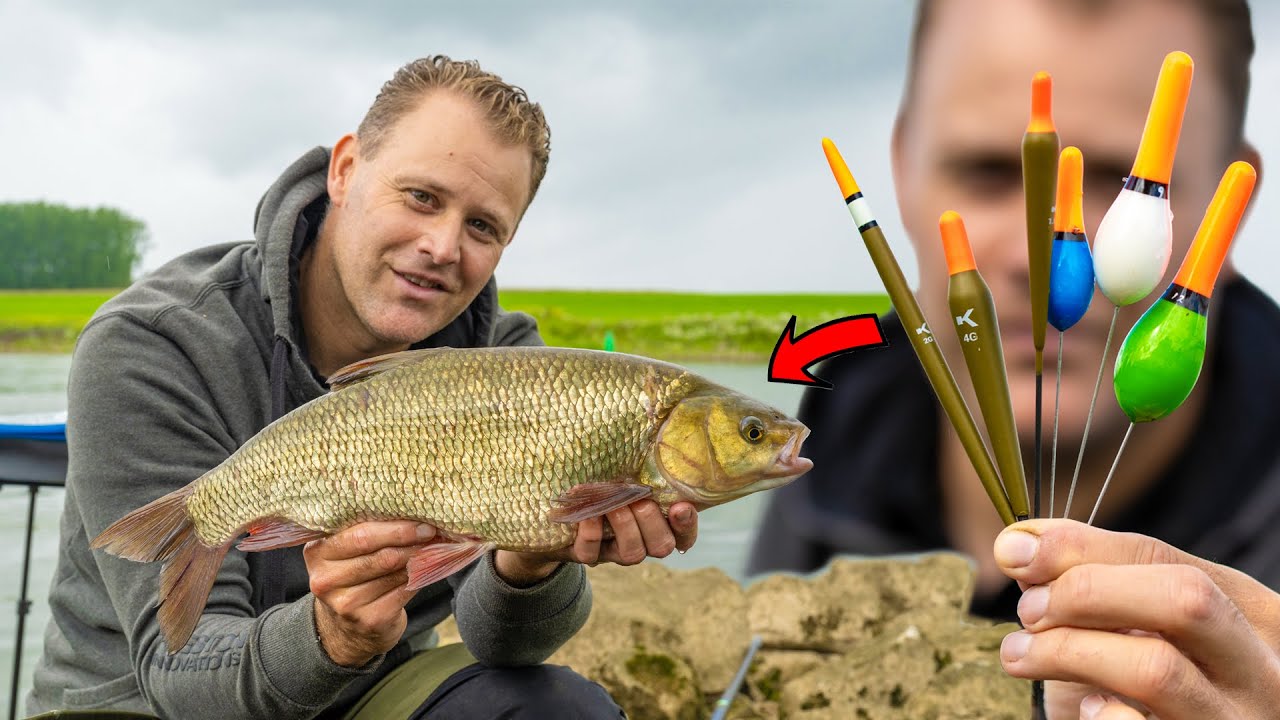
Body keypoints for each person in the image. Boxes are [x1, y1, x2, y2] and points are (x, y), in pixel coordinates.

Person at [26, 55, 699, 719]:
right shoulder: (155, 342)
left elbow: (504, 646)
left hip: (372, 690)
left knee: (556, 709)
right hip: (139, 703)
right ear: (346, 170)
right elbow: (178, 671)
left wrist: (530, 566)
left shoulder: (513, 370)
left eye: (482, 226)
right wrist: (331, 638)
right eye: (422, 197)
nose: (442, 246)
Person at [749, 0, 1280, 716]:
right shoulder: (839, 435)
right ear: (904, 172)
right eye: (985, 173)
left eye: (1122, 179)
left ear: (1231, 195)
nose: (1038, 258)